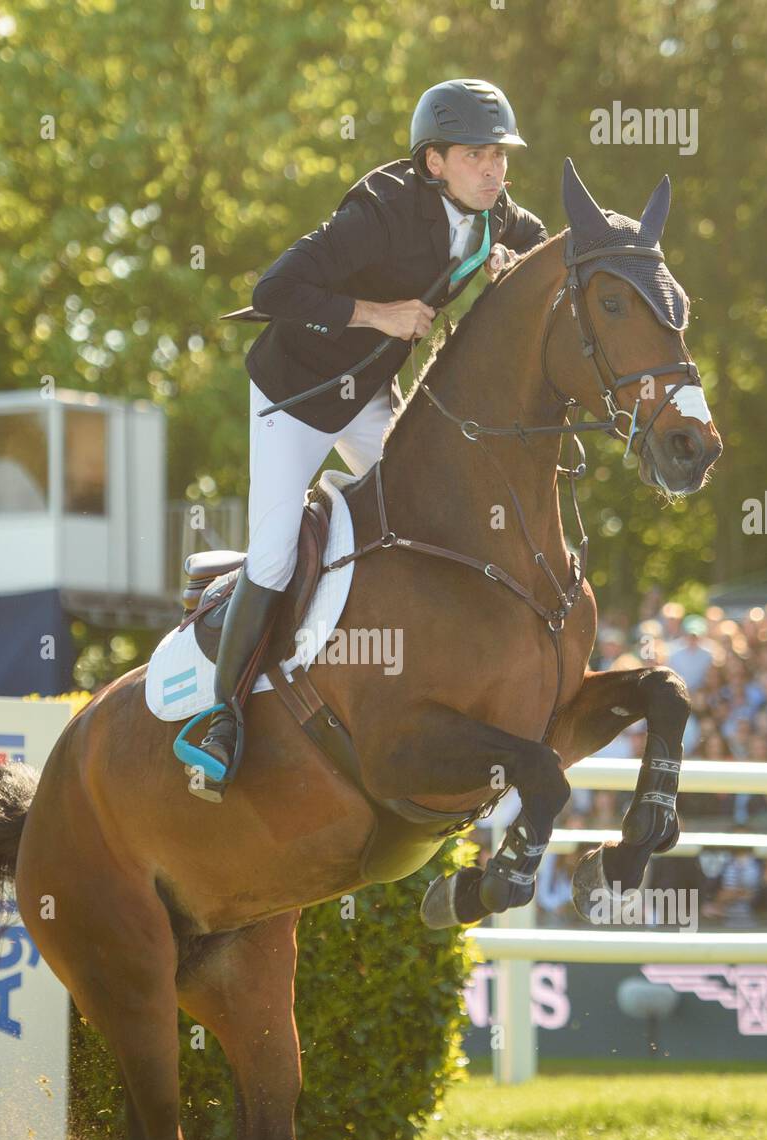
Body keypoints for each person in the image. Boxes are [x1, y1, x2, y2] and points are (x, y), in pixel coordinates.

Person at [196, 77, 549, 795]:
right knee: (268, 558)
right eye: (478, 156)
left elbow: (539, 244)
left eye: (500, 156)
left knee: (432, 512)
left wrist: (513, 272)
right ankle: (220, 717)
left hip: (368, 396)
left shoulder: (494, 212)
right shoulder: (376, 213)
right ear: (433, 163)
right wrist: (378, 314)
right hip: (295, 397)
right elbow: (274, 291)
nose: (494, 171)